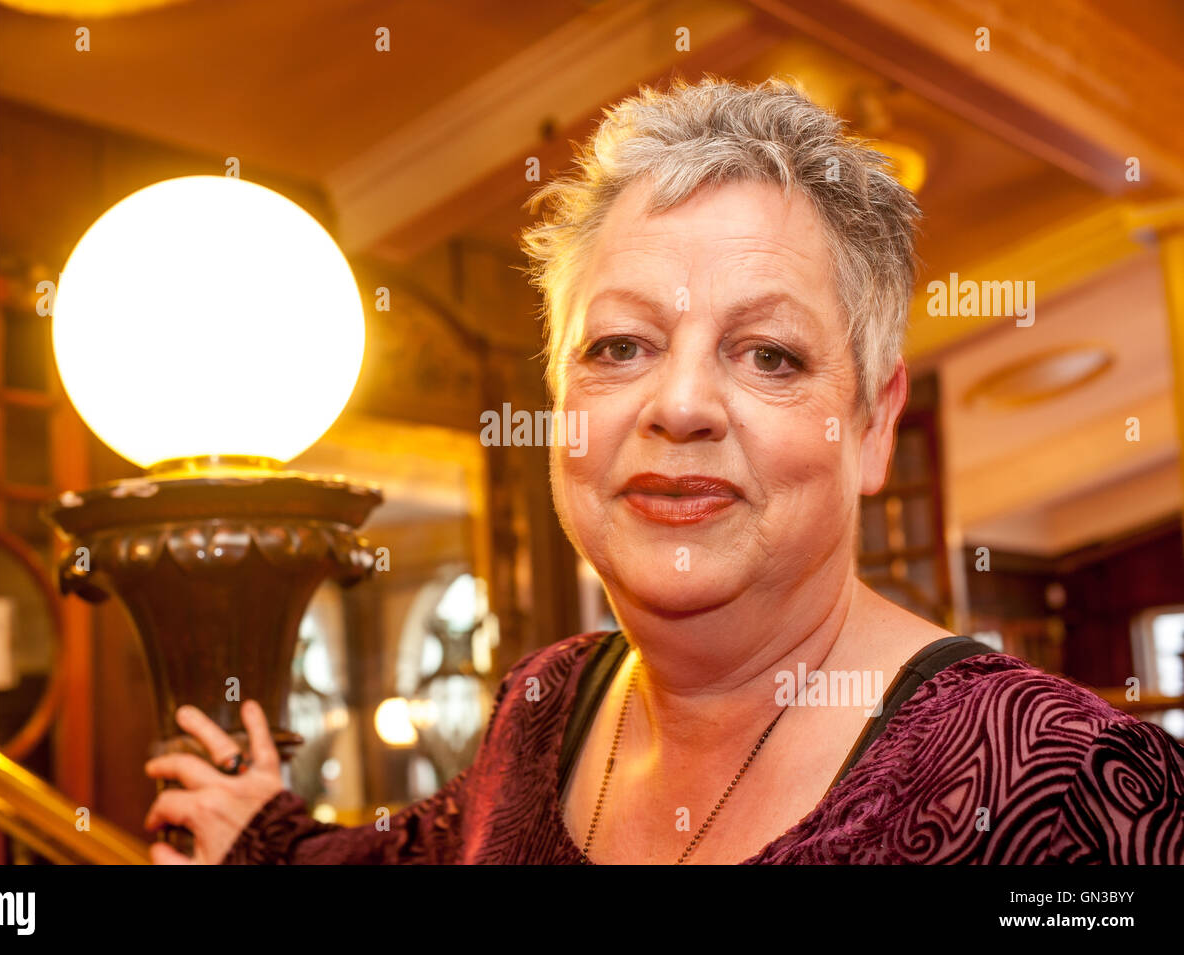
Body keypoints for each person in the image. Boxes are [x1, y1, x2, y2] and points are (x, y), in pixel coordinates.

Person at [144, 76, 1184, 864]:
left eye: (768, 354)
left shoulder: (1068, 785)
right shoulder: (545, 701)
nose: (678, 405)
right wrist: (262, 831)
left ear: (871, 425)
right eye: (619, 347)